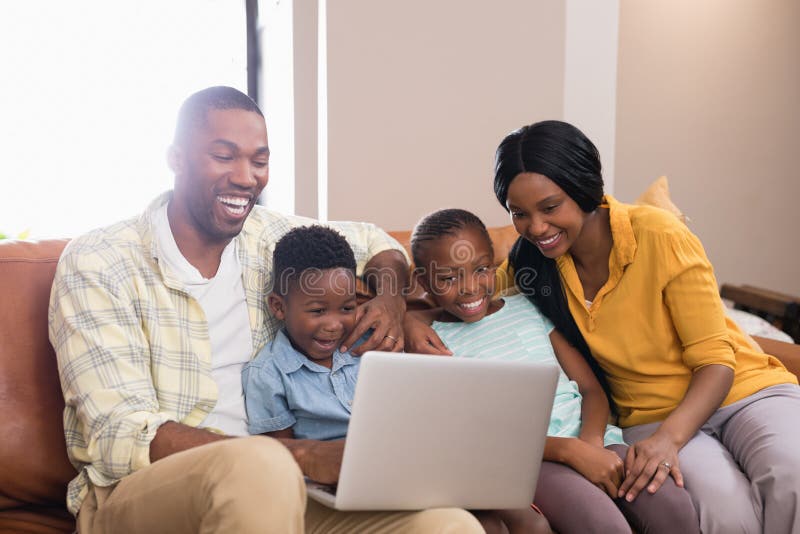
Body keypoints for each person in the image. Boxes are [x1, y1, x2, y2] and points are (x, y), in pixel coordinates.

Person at [48, 86, 482, 533]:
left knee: (449, 524)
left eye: (259, 161)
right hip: (142, 494)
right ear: (176, 158)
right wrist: (302, 455)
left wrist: (392, 301)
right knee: (258, 464)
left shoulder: (267, 235)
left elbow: (376, 243)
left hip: (283, 485)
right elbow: (118, 431)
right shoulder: (99, 261)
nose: (246, 177)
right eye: (224, 156)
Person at [483, 120, 799, 533]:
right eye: (518, 213)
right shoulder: (529, 263)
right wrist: (408, 316)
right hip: (647, 413)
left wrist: (671, 440)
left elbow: (717, 362)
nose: (536, 227)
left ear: (583, 189)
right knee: (725, 510)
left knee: (792, 471)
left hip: (743, 390)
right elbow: (471, 295)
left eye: (550, 207)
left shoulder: (658, 233)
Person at [243, 224, 551, 533]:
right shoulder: (267, 374)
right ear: (279, 307)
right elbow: (280, 457)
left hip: (413, 463)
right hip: (343, 483)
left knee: (527, 521)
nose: (334, 325)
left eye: (347, 308)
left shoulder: (372, 339)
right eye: (318, 310)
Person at [409, 208, 699, 534]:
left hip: (594, 439)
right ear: (422, 282)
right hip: (532, 461)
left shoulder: (526, 307)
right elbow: (471, 433)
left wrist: (590, 444)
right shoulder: (429, 340)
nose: (469, 288)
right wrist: (570, 451)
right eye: (448, 278)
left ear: (494, 262)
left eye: (481, 269)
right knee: (602, 524)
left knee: (673, 506)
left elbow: (590, 388)